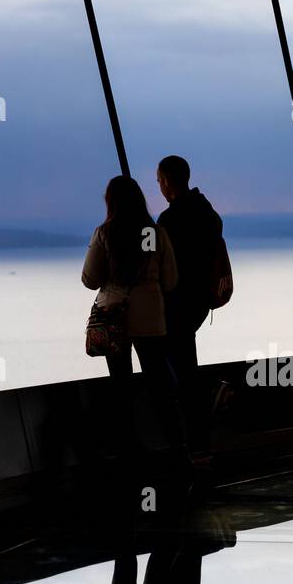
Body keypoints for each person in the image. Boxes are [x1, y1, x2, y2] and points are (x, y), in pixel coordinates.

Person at [82, 175, 188, 467]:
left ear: (110, 203)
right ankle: (178, 451)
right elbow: (171, 281)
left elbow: (89, 279)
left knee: (121, 389)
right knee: (160, 388)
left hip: (115, 320)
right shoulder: (156, 234)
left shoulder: (104, 233)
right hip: (151, 321)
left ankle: (131, 454)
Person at [155, 155, 224, 455]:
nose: (158, 186)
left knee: (181, 374)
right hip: (200, 301)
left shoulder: (169, 221)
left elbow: (162, 266)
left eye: (159, 180)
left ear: (168, 181)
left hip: (177, 303)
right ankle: (199, 439)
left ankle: (197, 444)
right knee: (185, 365)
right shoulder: (208, 214)